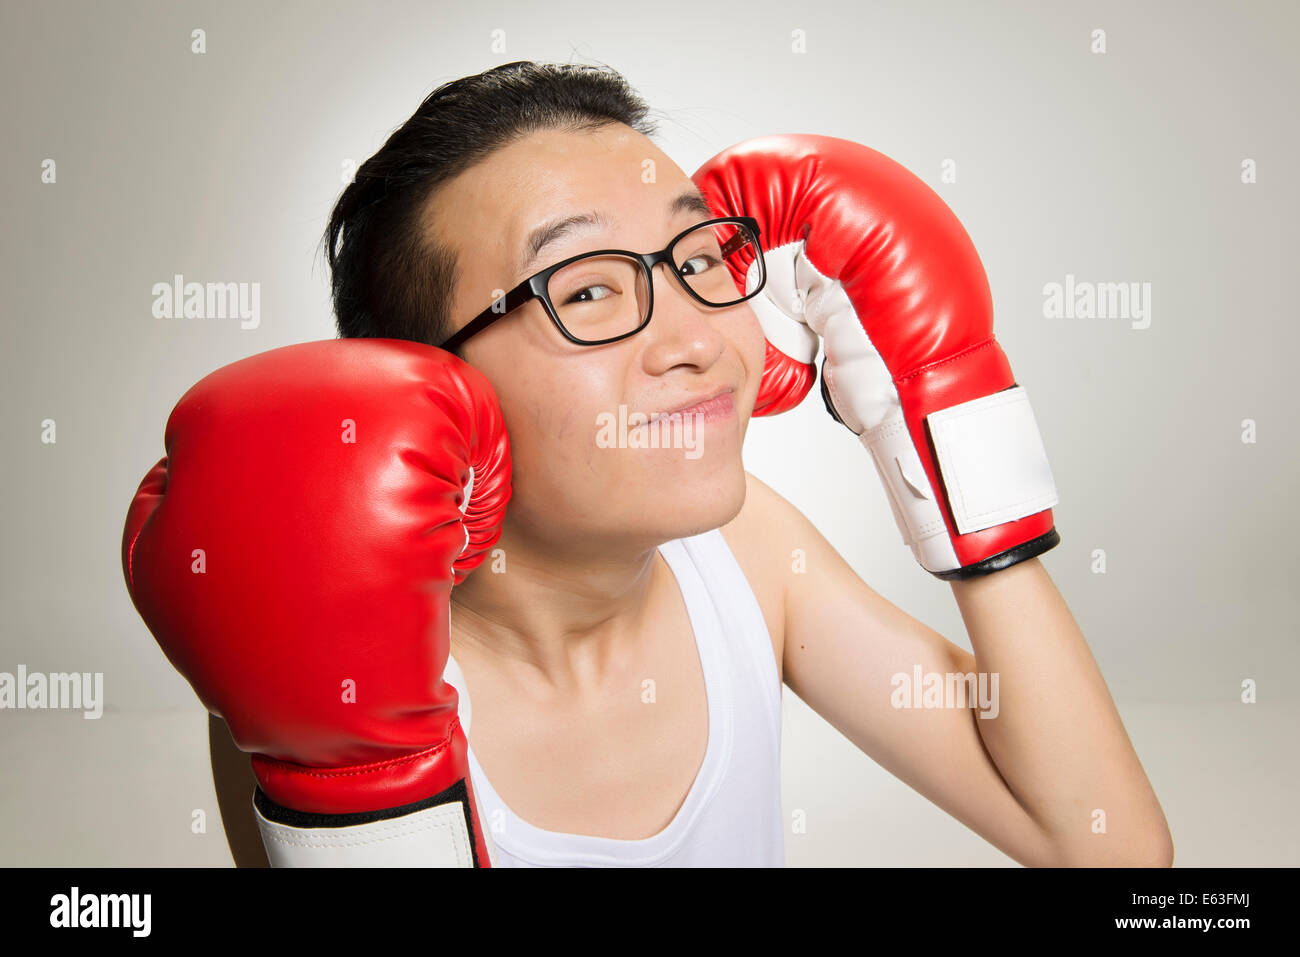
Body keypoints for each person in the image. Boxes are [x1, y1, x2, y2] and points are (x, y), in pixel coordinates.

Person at [207, 60, 1173, 867]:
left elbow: (1104, 849)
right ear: (428, 391)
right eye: (584, 290)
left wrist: (955, 446)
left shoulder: (749, 556)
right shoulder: (326, 676)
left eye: (698, 258)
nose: (699, 339)